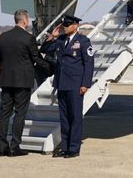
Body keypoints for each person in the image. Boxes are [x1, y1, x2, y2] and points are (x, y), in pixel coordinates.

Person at [0, 9, 48, 156]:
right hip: (22, 81)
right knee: (19, 114)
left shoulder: (3, 36)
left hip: (6, 80)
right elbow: (36, 58)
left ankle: (2, 146)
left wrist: (9, 69)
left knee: (4, 113)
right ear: (24, 21)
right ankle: (14, 146)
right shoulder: (28, 38)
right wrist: (50, 67)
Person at [39, 15, 95, 158]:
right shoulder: (61, 40)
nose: (65, 26)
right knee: (64, 117)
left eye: (68, 24)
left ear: (75, 25)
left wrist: (85, 84)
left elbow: (89, 63)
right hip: (62, 83)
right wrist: (52, 35)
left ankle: (74, 148)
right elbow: (45, 49)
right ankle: (65, 147)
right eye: (64, 24)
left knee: (75, 116)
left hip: (76, 85)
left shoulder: (83, 41)